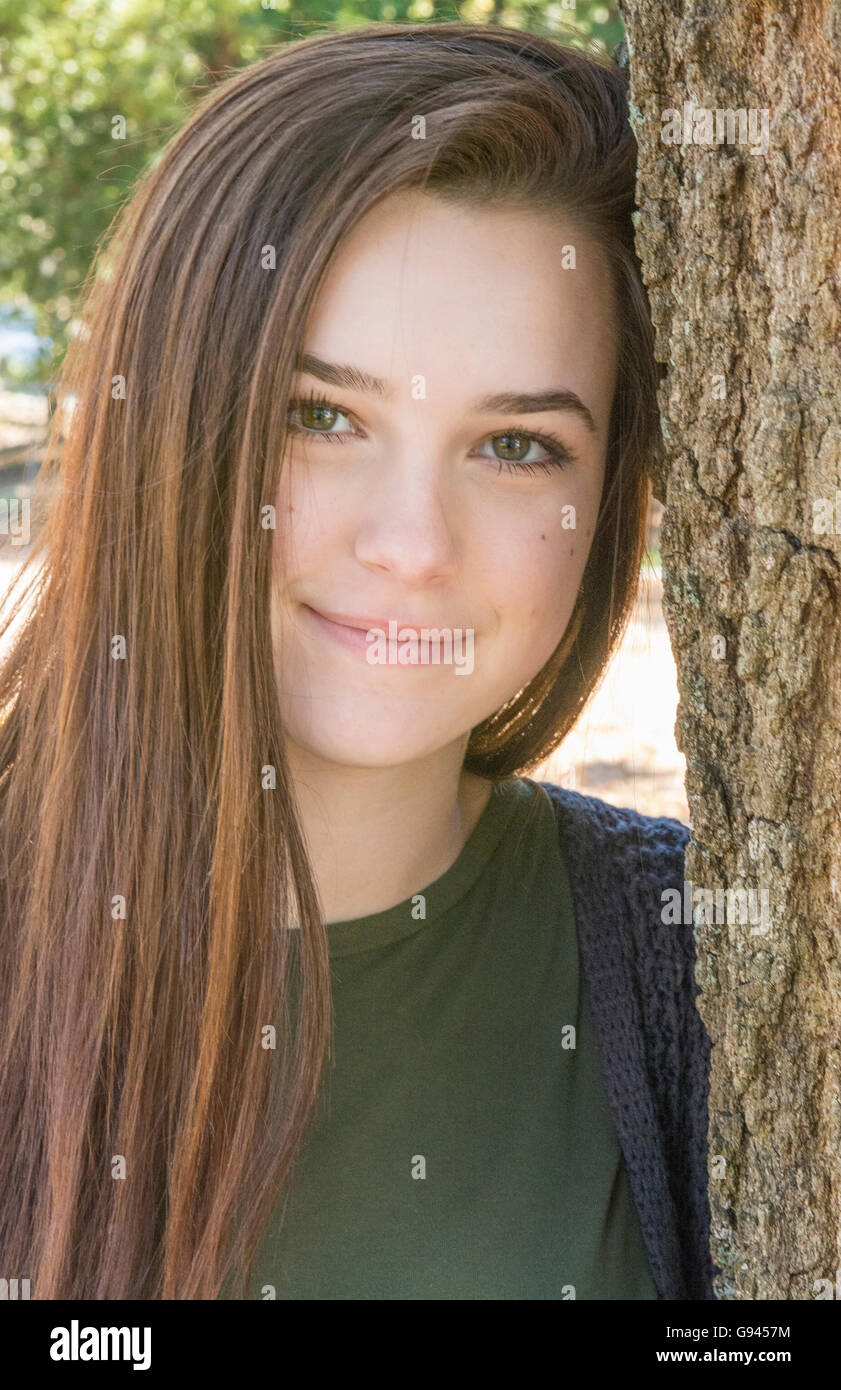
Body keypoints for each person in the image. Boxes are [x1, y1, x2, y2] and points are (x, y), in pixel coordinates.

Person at [0, 22, 716, 1300]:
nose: (410, 545)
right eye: (322, 417)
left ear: (611, 497)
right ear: (169, 413)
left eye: (516, 445)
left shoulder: (693, 959)